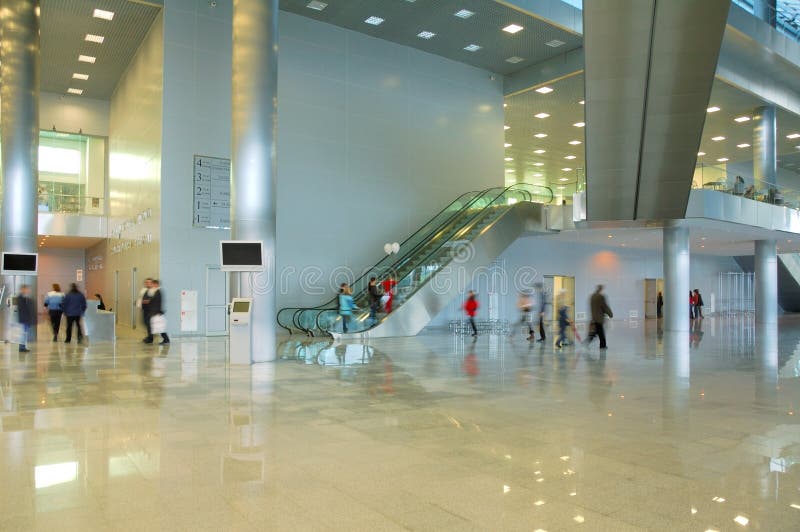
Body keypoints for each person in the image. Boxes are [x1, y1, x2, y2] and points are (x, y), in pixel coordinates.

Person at [586, 285, 613, 349]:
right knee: (600, 333)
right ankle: (602, 346)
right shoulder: (601, 297)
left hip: (594, 317)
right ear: (601, 289)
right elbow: (604, 306)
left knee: (596, 332)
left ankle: (588, 342)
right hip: (599, 318)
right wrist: (610, 314)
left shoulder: (592, 296)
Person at [145, 279, 170, 344]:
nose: (152, 285)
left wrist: (156, 312)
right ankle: (165, 339)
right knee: (158, 327)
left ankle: (166, 339)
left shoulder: (158, 292)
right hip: (155, 312)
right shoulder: (156, 291)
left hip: (156, 312)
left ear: (156, 284)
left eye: (153, 284)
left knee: (159, 327)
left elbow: (157, 303)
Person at [16, 285, 36, 353]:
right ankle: (22, 348)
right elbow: (23, 308)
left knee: (24, 334)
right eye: (26, 289)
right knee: (23, 334)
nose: (28, 290)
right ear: (23, 290)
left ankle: (23, 347)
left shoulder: (25, 297)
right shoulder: (21, 298)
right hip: (23, 319)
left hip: (26, 319)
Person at [138, 278, 155, 343]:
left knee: (149, 324)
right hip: (145, 310)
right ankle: (149, 336)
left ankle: (150, 338)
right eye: (146, 282)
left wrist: (142, 301)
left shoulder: (152, 291)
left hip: (150, 310)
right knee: (145, 323)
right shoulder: (144, 290)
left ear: (152, 283)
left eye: (149, 282)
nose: (147, 283)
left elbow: (150, 300)